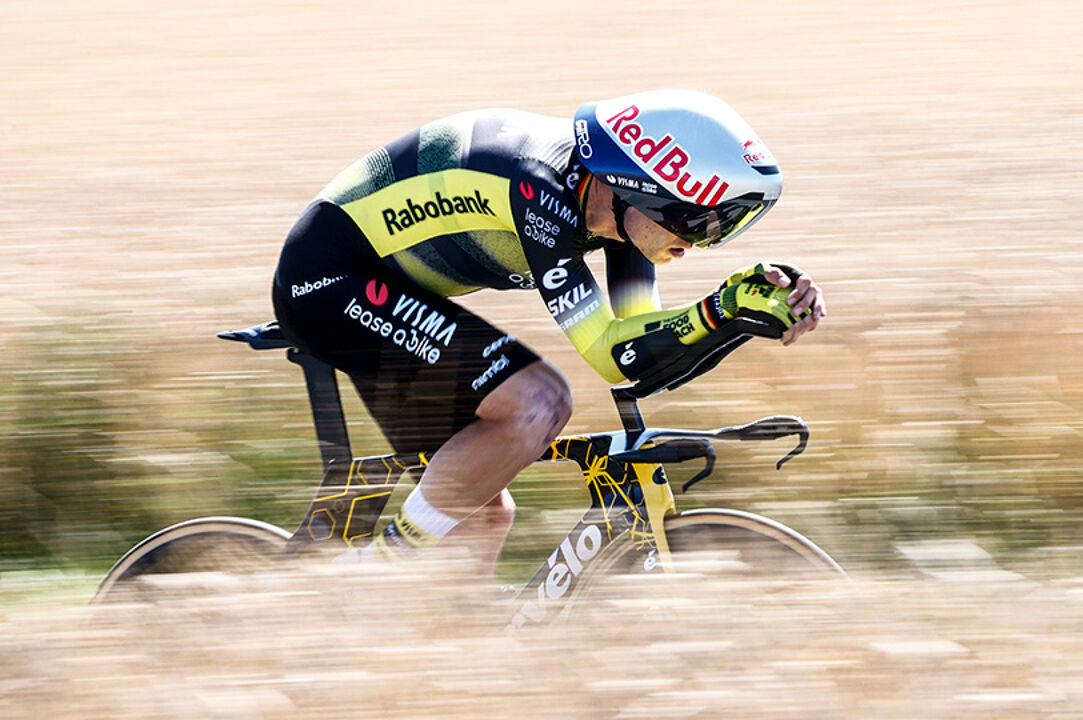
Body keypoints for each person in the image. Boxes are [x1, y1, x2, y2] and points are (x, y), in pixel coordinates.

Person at [271, 89, 826, 575]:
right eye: (697, 220)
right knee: (537, 401)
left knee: (478, 513)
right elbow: (613, 357)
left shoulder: (613, 208)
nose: (701, 243)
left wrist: (739, 317)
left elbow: (642, 359)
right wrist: (720, 308)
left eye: (723, 226)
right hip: (326, 279)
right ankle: (379, 571)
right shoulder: (541, 190)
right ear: (641, 190)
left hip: (382, 285)